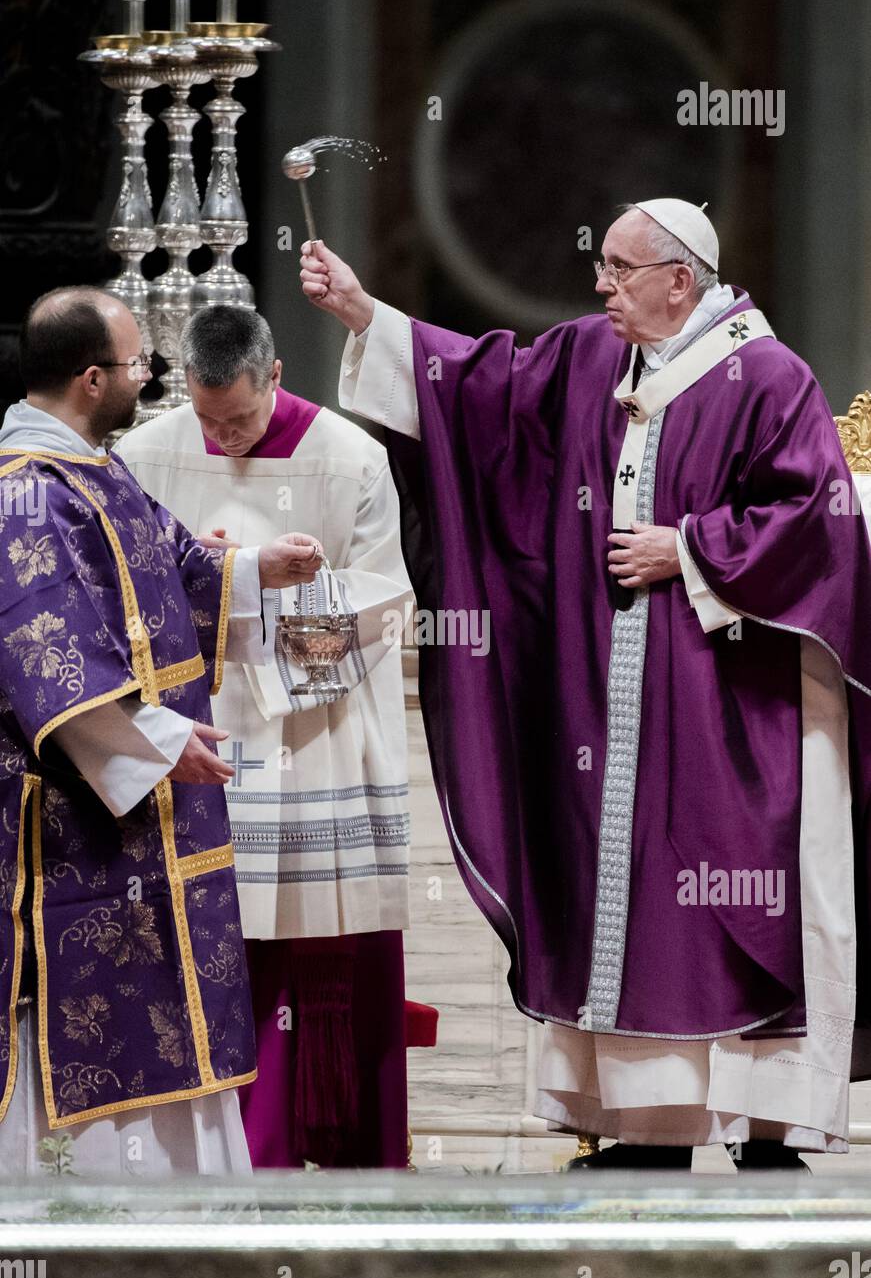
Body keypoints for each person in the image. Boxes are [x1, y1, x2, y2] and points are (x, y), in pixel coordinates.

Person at [299, 199, 871, 1171]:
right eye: (601, 267)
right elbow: (483, 385)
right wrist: (367, 315)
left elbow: (816, 522)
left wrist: (686, 548)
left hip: (728, 704)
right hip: (611, 704)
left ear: (678, 280)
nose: (598, 285)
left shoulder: (767, 376)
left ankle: (757, 1128)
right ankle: (643, 1128)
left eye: (617, 269)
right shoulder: (595, 359)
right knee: (627, 898)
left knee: (725, 904)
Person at [0, 286, 323, 1177]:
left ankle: (189, 1210)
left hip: (150, 809)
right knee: (101, 1014)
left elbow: (172, 561)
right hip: (81, 818)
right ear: (92, 377)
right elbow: (42, 644)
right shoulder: (26, 494)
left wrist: (260, 568)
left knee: (169, 1004)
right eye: (140, 363)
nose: (148, 378)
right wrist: (152, 742)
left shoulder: (92, 470)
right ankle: (88, 1215)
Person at [117, 305, 413, 1168]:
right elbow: (120, 602)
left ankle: (324, 1155)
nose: (223, 438)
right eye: (208, 420)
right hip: (193, 740)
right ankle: (202, 1165)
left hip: (315, 740)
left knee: (318, 955)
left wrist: (244, 593)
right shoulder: (145, 454)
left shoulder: (351, 458)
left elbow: (383, 604)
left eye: (239, 419)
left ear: (275, 378)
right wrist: (223, 576)